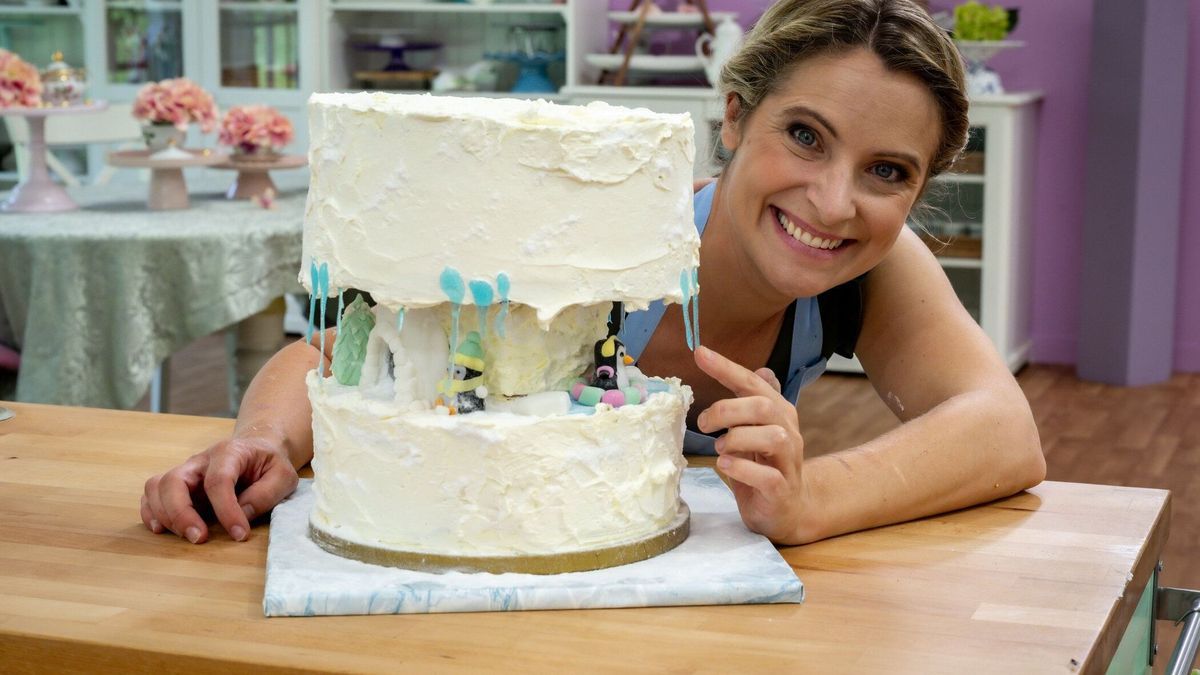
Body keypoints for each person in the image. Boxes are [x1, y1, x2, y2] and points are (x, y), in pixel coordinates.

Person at [141, 0, 1045, 547]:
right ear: (732, 118)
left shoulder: (872, 270)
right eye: (804, 135)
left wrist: (815, 499)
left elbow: (1005, 433)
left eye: (890, 171)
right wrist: (262, 438)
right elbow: (334, 357)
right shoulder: (588, 244)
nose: (834, 201)